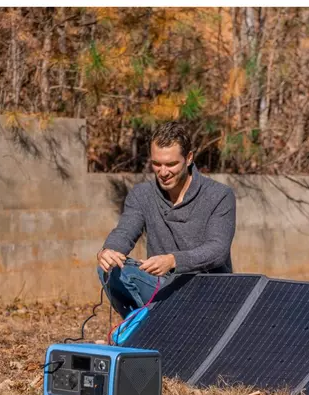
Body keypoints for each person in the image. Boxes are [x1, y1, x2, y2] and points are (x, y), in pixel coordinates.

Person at [97, 121, 236, 318]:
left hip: (209, 291)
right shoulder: (142, 194)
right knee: (110, 270)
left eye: (171, 164)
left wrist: (173, 260)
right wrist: (109, 250)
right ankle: (139, 329)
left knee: (130, 274)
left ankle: (150, 326)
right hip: (160, 285)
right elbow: (125, 231)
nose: (163, 172)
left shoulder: (219, 195)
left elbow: (217, 250)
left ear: (188, 158)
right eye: (157, 164)